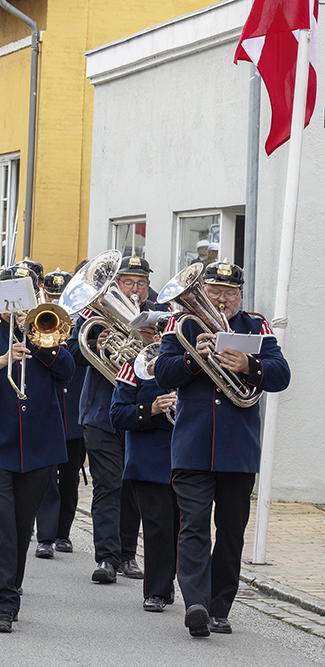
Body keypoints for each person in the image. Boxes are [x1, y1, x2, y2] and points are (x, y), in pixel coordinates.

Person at [154, 261, 289, 637]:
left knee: (232, 530)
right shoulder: (183, 324)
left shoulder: (255, 326)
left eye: (229, 292)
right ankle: (196, 603)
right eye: (214, 290)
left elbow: (281, 374)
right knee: (194, 526)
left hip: (238, 447)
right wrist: (192, 359)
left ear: (241, 294)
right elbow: (161, 373)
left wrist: (249, 364)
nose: (221, 298)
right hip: (193, 444)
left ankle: (219, 607)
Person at [0, 264, 74, 633]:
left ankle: (10, 583)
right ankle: (4, 603)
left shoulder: (47, 327)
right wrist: (1, 360)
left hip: (38, 443)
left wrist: (37, 338)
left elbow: (66, 371)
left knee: (22, 526)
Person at [67, 254, 164, 584]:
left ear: (148, 285)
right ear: (115, 284)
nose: (135, 289)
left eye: (140, 283)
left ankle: (127, 554)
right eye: (128, 282)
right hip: (101, 412)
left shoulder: (158, 316)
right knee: (108, 485)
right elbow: (73, 354)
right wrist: (97, 340)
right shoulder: (95, 313)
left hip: (140, 415)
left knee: (132, 488)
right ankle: (107, 558)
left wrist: (154, 342)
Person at [110, 350, 178, 613]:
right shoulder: (134, 367)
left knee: (185, 530)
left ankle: (179, 585)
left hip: (190, 457)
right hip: (149, 460)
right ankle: (157, 590)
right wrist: (151, 409)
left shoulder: (193, 365)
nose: (159, 339)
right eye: (154, 332)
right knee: (158, 528)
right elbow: (117, 415)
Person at [34, 268, 86, 559]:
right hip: (49, 407)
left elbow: (80, 358)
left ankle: (63, 533)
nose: (56, 300)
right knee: (46, 476)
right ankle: (45, 536)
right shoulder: (38, 320)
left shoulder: (83, 324)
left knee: (70, 476)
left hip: (75, 408)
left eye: (61, 296)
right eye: (52, 295)